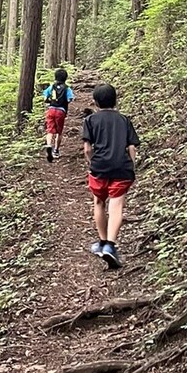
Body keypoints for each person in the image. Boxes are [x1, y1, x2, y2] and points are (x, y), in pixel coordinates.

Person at [81, 82, 139, 270]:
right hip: (121, 168)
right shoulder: (124, 120)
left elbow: (87, 149)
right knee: (116, 204)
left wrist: (91, 162)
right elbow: (131, 147)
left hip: (99, 168)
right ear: (115, 100)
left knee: (99, 202)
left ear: (95, 102)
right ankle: (111, 246)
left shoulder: (90, 121)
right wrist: (132, 165)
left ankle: (102, 241)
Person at [41, 66, 73, 162]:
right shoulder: (67, 88)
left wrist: (48, 99)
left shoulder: (52, 86)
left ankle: (49, 147)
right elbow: (70, 99)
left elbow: (45, 95)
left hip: (51, 109)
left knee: (50, 130)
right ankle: (56, 151)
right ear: (65, 78)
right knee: (59, 132)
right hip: (61, 111)